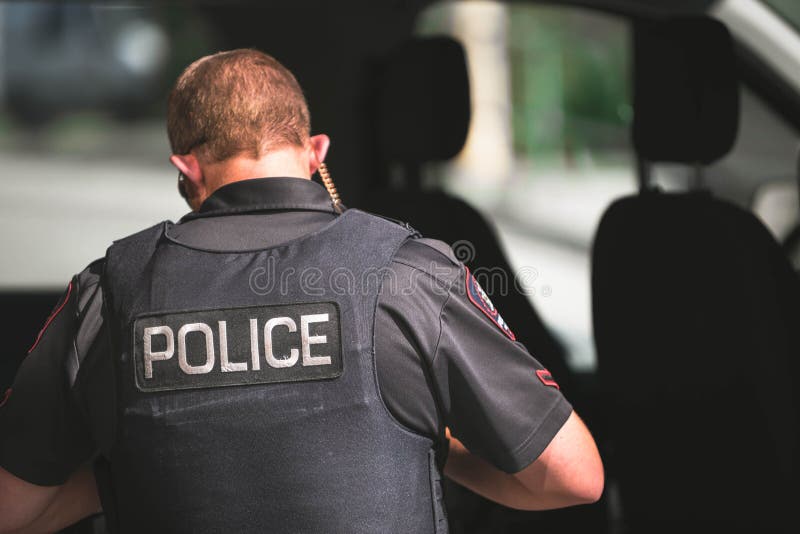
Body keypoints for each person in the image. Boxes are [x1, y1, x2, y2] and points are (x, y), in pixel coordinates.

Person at [0, 49, 603, 533]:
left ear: (186, 169)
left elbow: (13, 510)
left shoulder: (108, 292)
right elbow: (574, 478)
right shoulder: (408, 271)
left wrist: (120, 475)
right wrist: (436, 451)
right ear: (316, 153)